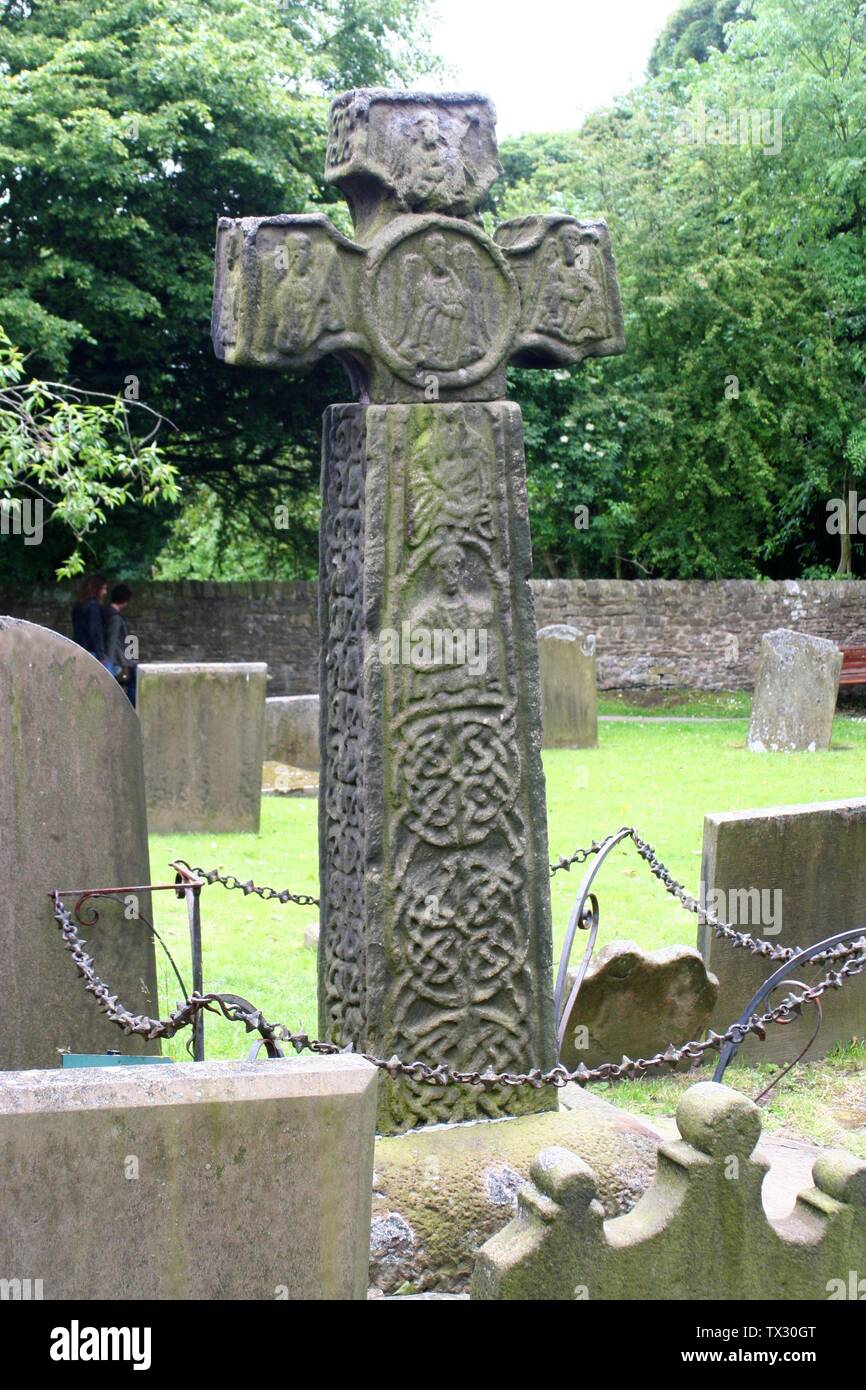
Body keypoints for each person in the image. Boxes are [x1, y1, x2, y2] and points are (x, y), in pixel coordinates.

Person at [104, 582, 137, 706]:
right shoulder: (115, 618)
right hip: (118, 660)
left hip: (117, 659)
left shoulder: (107, 613)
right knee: (133, 680)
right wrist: (109, 664)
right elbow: (112, 642)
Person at [71, 574, 109, 664]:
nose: (105, 592)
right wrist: (101, 655)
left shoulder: (78, 606)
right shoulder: (93, 607)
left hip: (79, 649)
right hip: (92, 652)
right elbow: (95, 631)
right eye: (103, 589)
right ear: (96, 589)